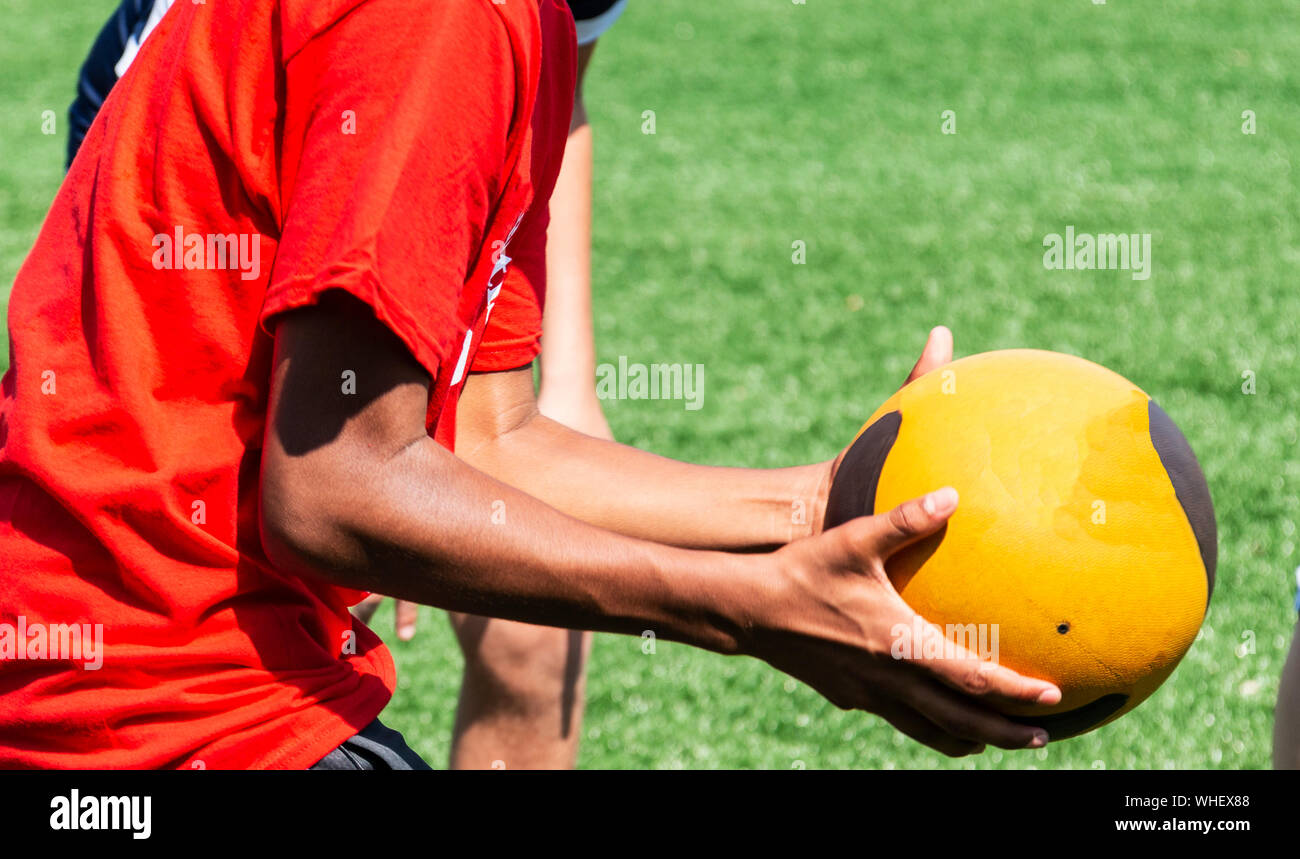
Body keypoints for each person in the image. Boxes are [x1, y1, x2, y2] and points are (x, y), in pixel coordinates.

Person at [0, 0, 1057, 769]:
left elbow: (487, 441)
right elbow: (331, 489)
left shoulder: (531, 24)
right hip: (149, 717)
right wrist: (752, 612)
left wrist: (821, 504)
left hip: (170, 689)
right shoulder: (448, 21)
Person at [67, 0, 626, 770]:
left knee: (534, 633)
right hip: (204, 123)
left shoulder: (536, 26)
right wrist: (384, 474)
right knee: (273, 558)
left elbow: (552, 122)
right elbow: (329, 489)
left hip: (402, 89)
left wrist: (567, 385)